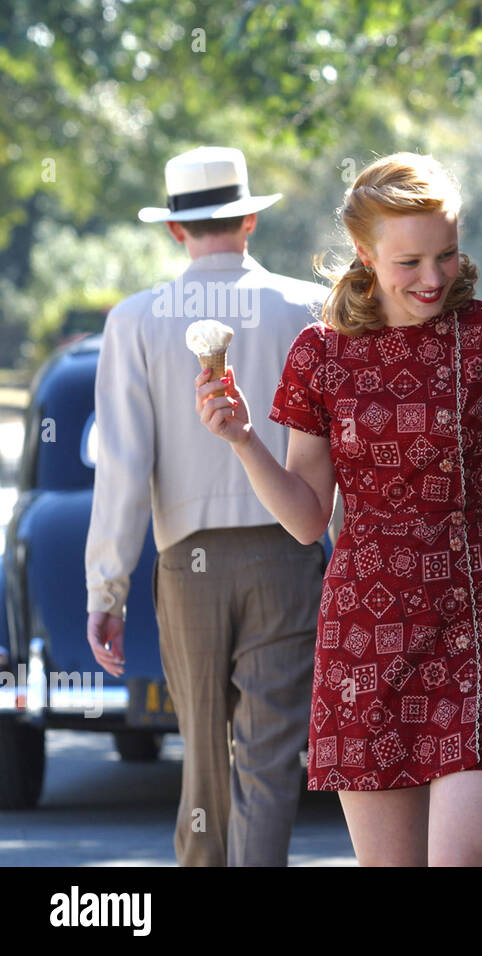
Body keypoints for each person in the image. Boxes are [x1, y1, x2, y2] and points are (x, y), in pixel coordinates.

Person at [194, 153, 482, 866]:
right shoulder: (320, 354)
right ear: (365, 254)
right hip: (364, 628)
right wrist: (243, 441)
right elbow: (307, 518)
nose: (433, 278)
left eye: (447, 254)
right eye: (410, 261)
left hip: (479, 619)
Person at [85, 146, 327, 866]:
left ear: (173, 230)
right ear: (249, 218)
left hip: (186, 562)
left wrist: (108, 588)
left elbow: (124, 468)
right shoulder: (309, 309)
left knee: (201, 749)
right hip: (287, 550)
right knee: (273, 749)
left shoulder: (134, 320)